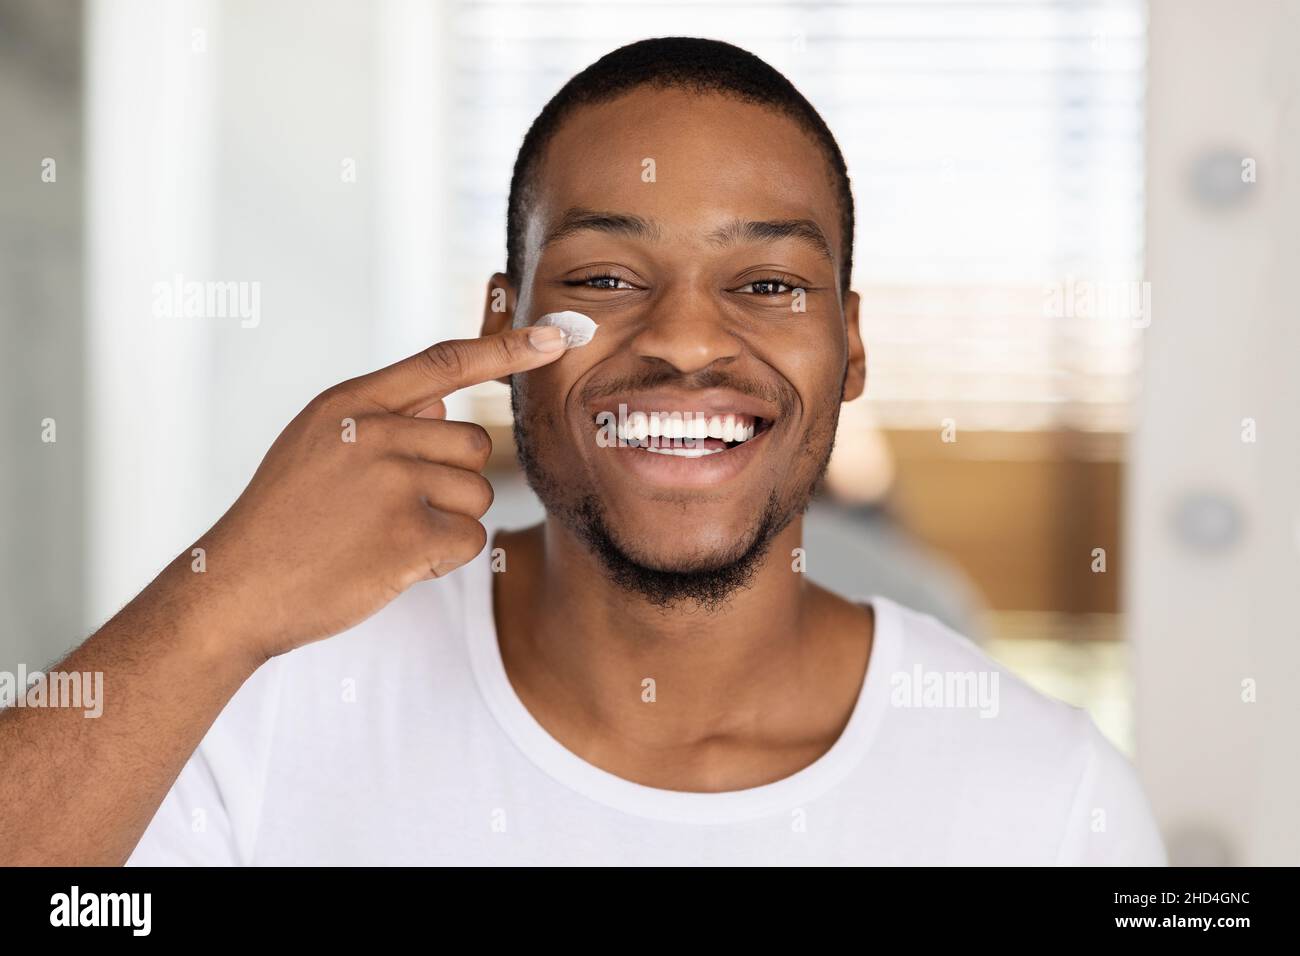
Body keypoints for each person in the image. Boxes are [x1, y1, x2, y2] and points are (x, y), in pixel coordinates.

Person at [0, 37, 1164, 865]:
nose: (686, 339)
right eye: (606, 278)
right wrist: (222, 598)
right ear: (507, 327)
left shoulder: (1045, 798)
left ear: (848, 348)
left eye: (767, 283)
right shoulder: (267, 702)